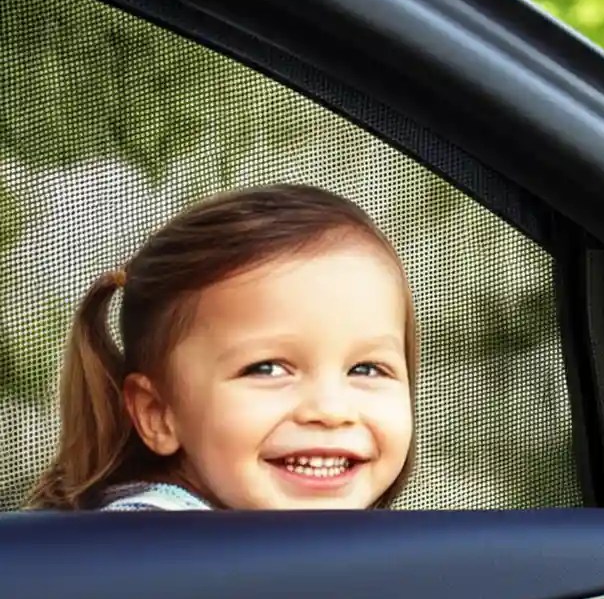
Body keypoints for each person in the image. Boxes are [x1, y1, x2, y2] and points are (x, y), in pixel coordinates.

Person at [24, 183, 417, 510]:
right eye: (267, 368)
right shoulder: (151, 546)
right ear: (158, 413)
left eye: (366, 369)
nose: (331, 410)